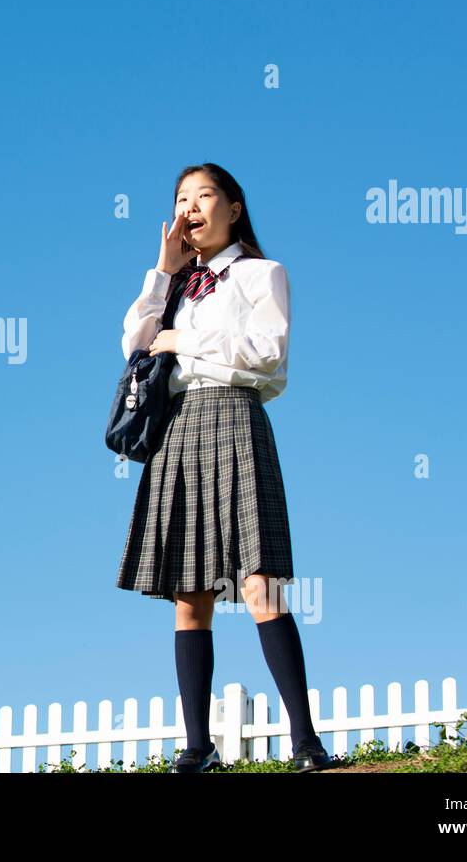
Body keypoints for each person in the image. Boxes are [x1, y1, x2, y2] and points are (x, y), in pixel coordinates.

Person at [114, 162, 339, 774]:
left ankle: (306, 743)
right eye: (181, 198)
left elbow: (267, 353)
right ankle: (196, 748)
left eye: (204, 195)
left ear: (234, 207)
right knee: (190, 594)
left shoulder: (263, 274)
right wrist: (162, 274)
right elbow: (135, 343)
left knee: (260, 582)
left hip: (237, 417)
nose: (190, 207)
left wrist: (182, 342)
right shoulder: (176, 286)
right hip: (178, 428)